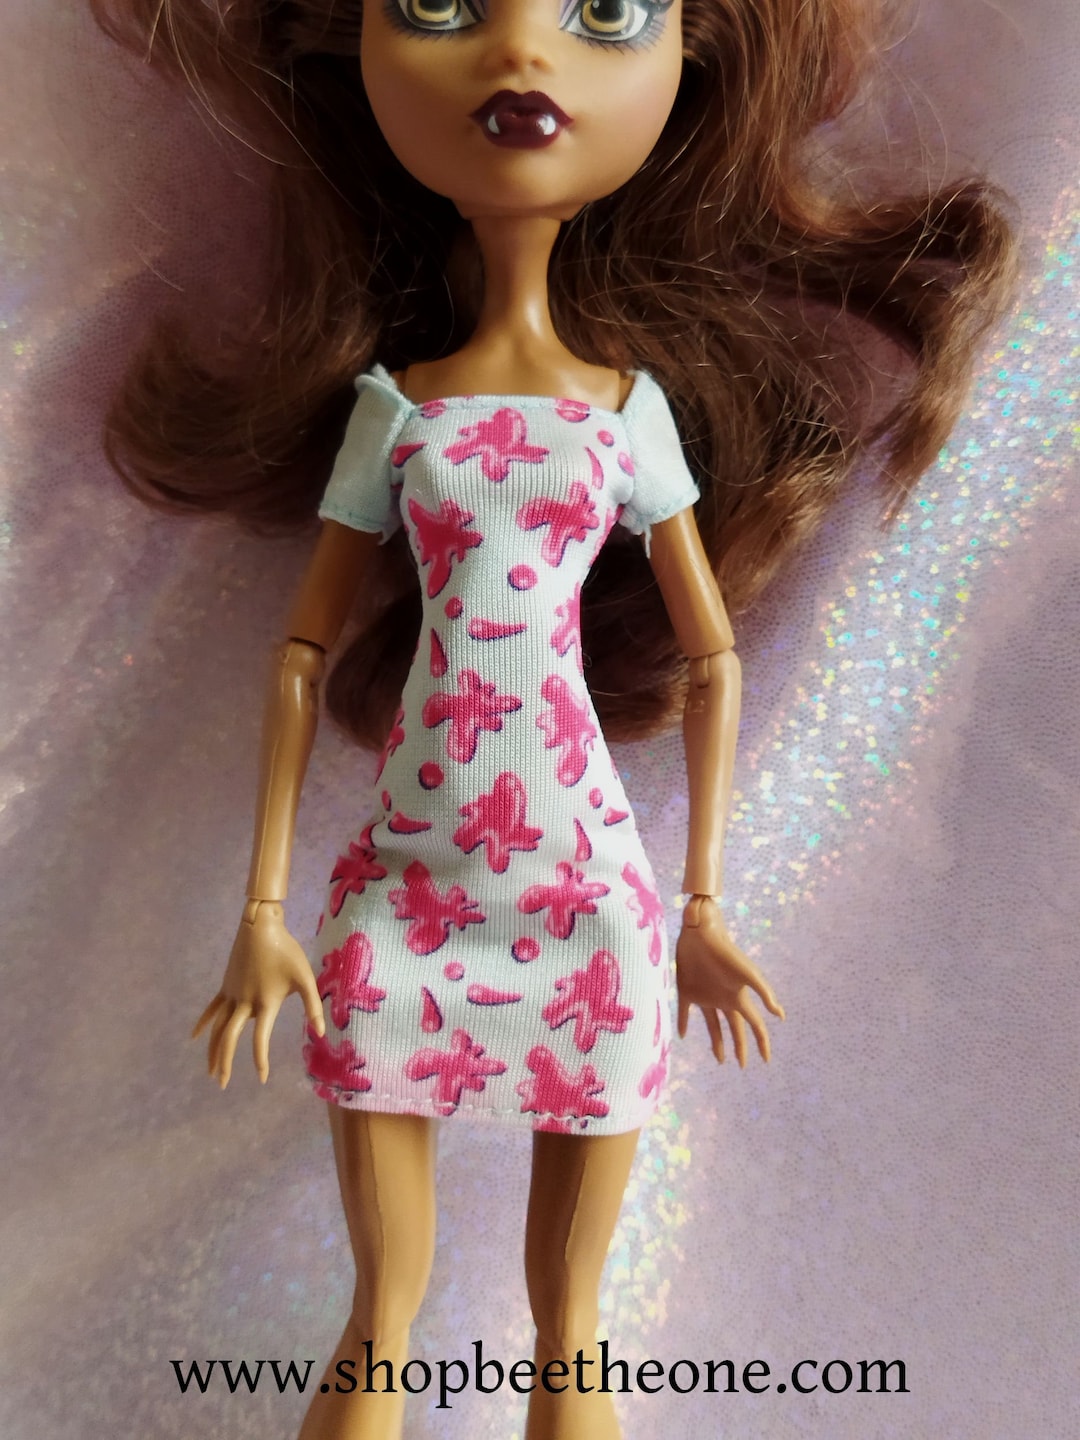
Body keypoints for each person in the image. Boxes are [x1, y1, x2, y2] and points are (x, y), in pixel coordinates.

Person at [89, 1, 1015, 1435]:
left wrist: (702, 906)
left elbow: (714, 658)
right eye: (440, 4)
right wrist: (263, 910)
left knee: (571, 1334)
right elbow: (298, 651)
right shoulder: (395, 411)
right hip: (406, 890)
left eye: (606, 12)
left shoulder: (631, 415)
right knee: (378, 1320)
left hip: (583, 891)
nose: (525, 55)